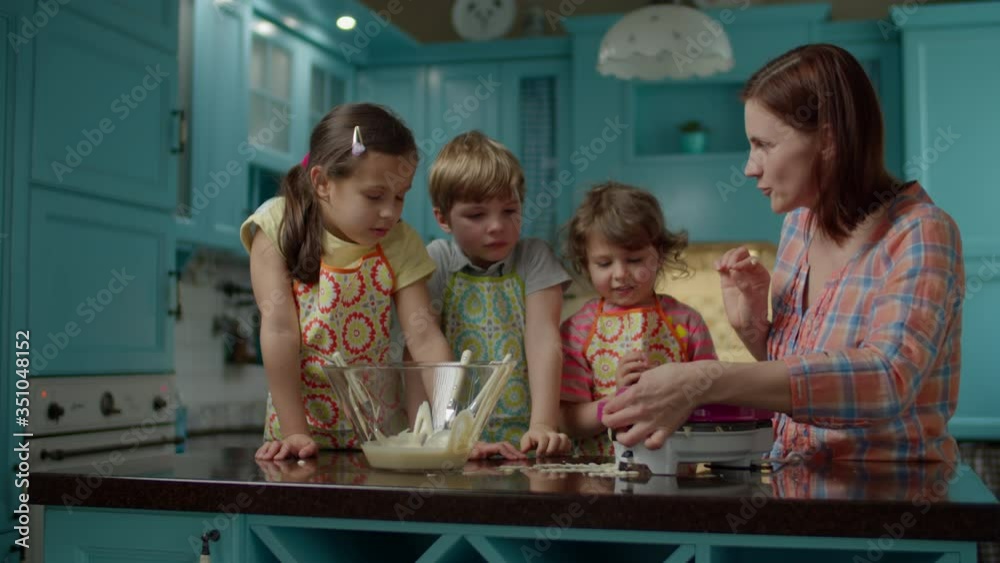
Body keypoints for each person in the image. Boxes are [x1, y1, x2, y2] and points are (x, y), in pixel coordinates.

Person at [603, 44, 965, 463]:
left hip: (887, 499)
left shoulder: (920, 232)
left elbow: (886, 381)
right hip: (796, 486)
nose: (750, 167)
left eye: (763, 145)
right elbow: (807, 385)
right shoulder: (800, 223)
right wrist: (757, 333)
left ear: (827, 139)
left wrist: (704, 378)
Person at [242, 103, 452, 461]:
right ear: (323, 183)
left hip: (378, 438)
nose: (390, 211)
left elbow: (425, 337)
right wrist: (295, 433)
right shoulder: (276, 224)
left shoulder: (400, 242)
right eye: (374, 196)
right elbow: (279, 331)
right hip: (296, 439)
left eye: (400, 195)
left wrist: (454, 427)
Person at [424, 131, 572, 457]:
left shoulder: (534, 257)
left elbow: (543, 338)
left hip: (527, 439)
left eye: (509, 210)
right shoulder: (437, 261)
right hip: (455, 441)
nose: (497, 226)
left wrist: (544, 425)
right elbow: (420, 352)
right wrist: (444, 434)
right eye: (477, 215)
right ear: (442, 218)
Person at [558, 182, 717, 456]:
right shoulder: (576, 330)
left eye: (634, 259)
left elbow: (713, 395)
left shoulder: (687, 323)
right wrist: (618, 401)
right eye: (604, 264)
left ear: (660, 255)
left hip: (675, 470)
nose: (620, 273)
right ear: (586, 265)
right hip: (597, 474)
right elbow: (567, 420)